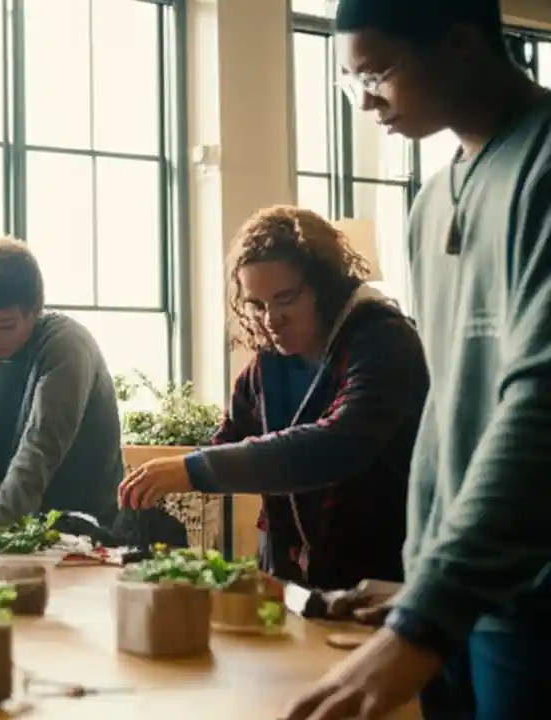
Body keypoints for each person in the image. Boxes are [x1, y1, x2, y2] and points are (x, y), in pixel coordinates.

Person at [286, 1, 551, 719]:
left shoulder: (543, 164)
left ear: (462, 45)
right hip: (451, 595)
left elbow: (540, 403)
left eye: (379, 73)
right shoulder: (432, 201)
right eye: (352, 81)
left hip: (529, 600)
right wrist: (423, 579)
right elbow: (454, 405)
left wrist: (432, 610)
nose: (365, 100)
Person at [119, 206, 428, 591]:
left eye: (286, 299)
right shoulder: (266, 364)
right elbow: (229, 442)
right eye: (257, 305)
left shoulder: (383, 339)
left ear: (326, 287)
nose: (271, 319)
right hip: (291, 577)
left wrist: (195, 469)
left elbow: (341, 443)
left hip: (380, 577)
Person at [0, 238, 149, 536]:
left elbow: (39, 449)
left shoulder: (66, 345)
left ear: (36, 310)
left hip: (88, 531)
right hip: (22, 527)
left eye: (6, 326)